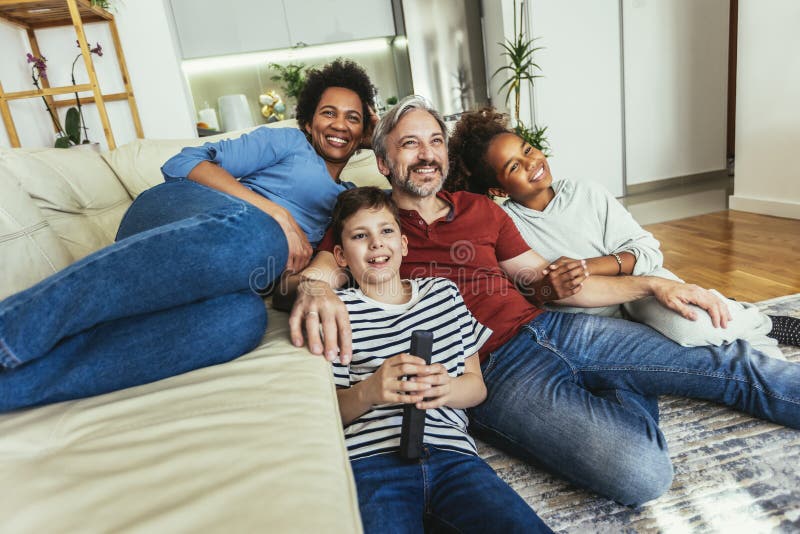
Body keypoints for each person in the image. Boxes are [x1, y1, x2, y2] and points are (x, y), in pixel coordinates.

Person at [288, 95, 800, 507]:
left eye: (435, 141)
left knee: (719, 361)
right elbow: (322, 271)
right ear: (383, 161)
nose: (426, 154)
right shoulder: (372, 226)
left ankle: (637, 373)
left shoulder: (480, 209)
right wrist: (313, 286)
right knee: (642, 473)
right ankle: (625, 383)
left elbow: (545, 279)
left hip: (555, 327)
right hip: (493, 372)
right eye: (409, 144)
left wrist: (652, 285)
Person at [0, 59, 376, 412]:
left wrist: (379, 140)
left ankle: (13, 388)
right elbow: (182, 163)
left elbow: (281, 287)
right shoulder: (287, 143)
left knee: (241, 322)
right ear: (308, 122)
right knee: (263, 236)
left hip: (218, 272)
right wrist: (277, 215)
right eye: (329, 113)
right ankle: (10, 332)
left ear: (364, 132)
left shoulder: (349, 203)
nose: (340, 125)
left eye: (353, 118)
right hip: (177, 213)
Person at [444, 107, 800, 358]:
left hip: (641, 289)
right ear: (498, 189)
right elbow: (529, 293)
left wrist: (587, 267)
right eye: (514, 167)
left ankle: (762, 321)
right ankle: (736, 322)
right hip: (591, 320)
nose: (531, 163)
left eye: (527, 150)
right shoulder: (505, 224)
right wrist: (551, 287)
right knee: (690, 352)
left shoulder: (586, 192)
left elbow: (648, 251)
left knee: (698, 328)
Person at [328, 186, 551, 533]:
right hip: (371, 462)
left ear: (404, 244)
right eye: (360, 235)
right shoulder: (336, 311)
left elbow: (476, 387)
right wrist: (369, 391)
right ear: (341, 256)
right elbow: (326, 414)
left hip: (452, 456)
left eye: (386, 231)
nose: (376, 243)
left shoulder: (443, 293)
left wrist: (446, 389)